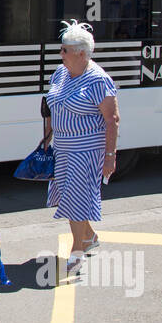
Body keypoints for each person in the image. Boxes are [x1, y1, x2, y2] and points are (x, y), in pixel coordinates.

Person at [43, 20, 119, 276]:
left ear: (82, 53)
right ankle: (88, 236)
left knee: (76, 200)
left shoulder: (98, 80)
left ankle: (77, 251)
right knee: (68, 198)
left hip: (86, 150)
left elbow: (112, 119)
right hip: (62, 148)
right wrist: (47, 139)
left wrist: (110, 156)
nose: (61, 53)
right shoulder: (61, 72)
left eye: (65, 49)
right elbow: (50, 107)